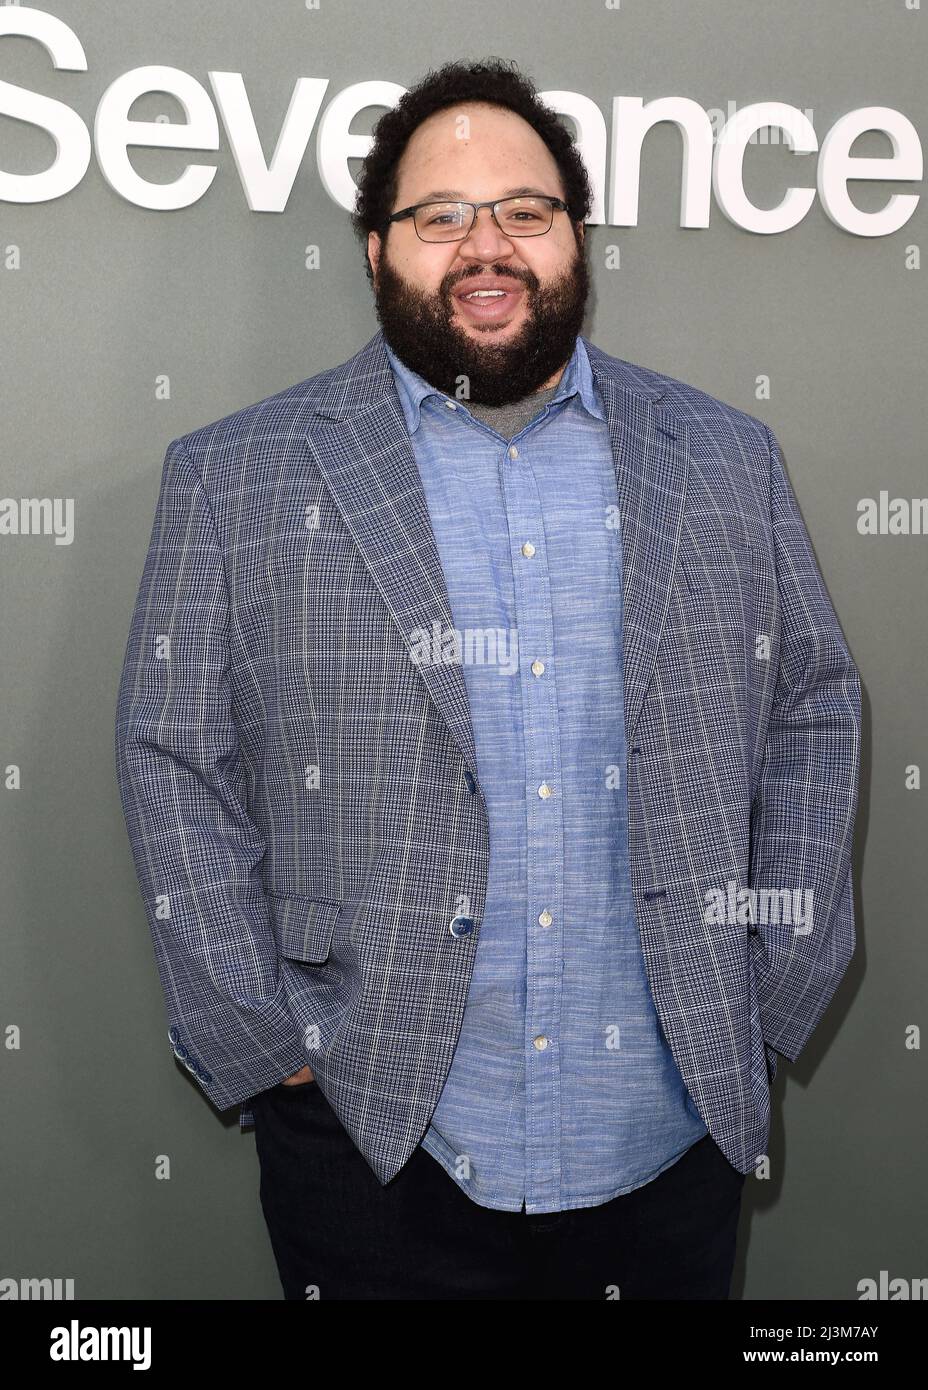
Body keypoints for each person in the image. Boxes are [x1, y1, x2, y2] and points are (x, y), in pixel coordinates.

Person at [114, 58, 861, 1300]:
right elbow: (170, 757)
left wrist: (770, 990)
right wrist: (263, 1038)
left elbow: (815, 713)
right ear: (374, 248)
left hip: (669, 1139)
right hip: (367, 1145)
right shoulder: (232, 478)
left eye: (526, 209)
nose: (487, 246)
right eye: (440, 215)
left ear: (575, 238)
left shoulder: (727, 459)